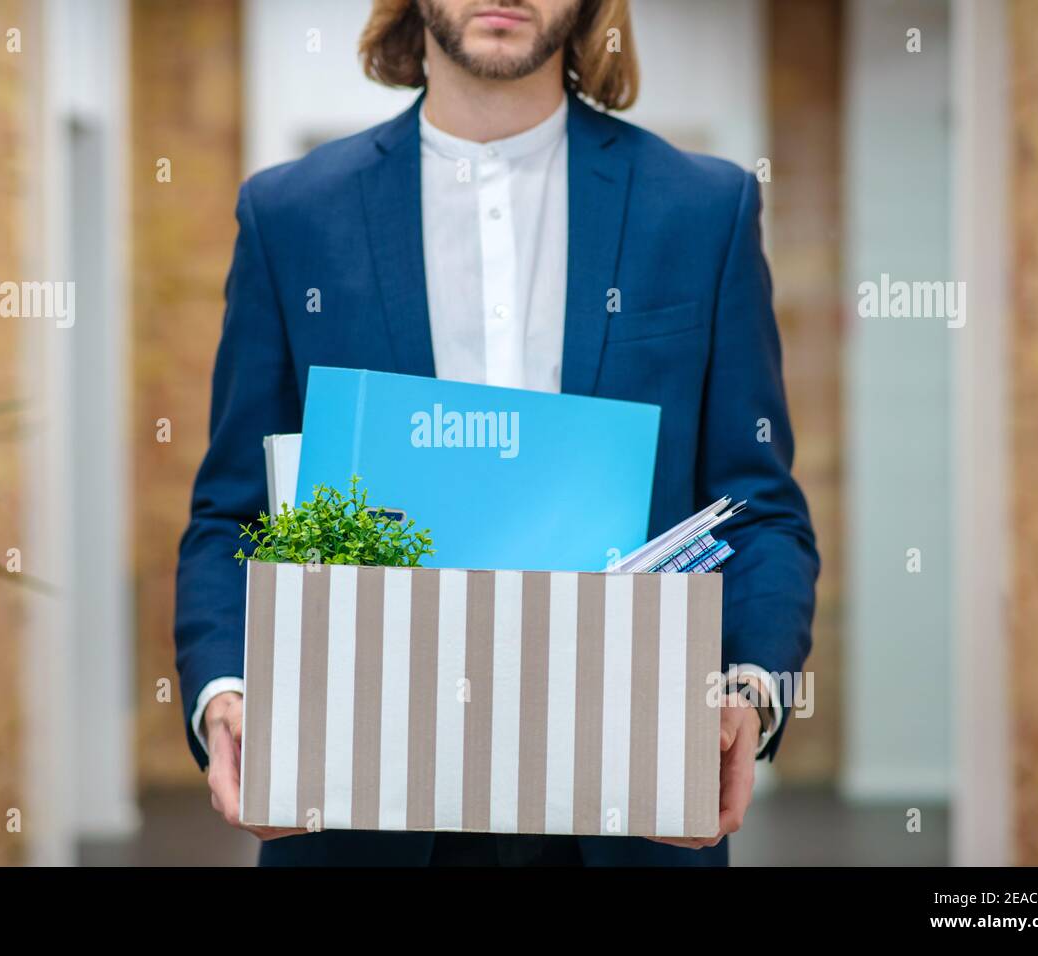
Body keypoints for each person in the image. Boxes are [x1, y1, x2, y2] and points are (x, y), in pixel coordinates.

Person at [175, 0, 818, 867]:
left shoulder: (703, 210)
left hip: (632, 810)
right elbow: (231, 517)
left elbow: (758, 512)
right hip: (357, 805)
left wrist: (749, 691)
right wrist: (226, 689)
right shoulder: (292, 217)